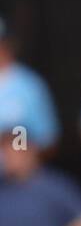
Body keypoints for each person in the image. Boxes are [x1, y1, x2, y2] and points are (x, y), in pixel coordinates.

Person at [0, 16, 60, 153]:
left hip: (16, 172)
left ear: (8, 44)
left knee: (17, 131)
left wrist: (24, 154)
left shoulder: (29, 86)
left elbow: (48, 139)